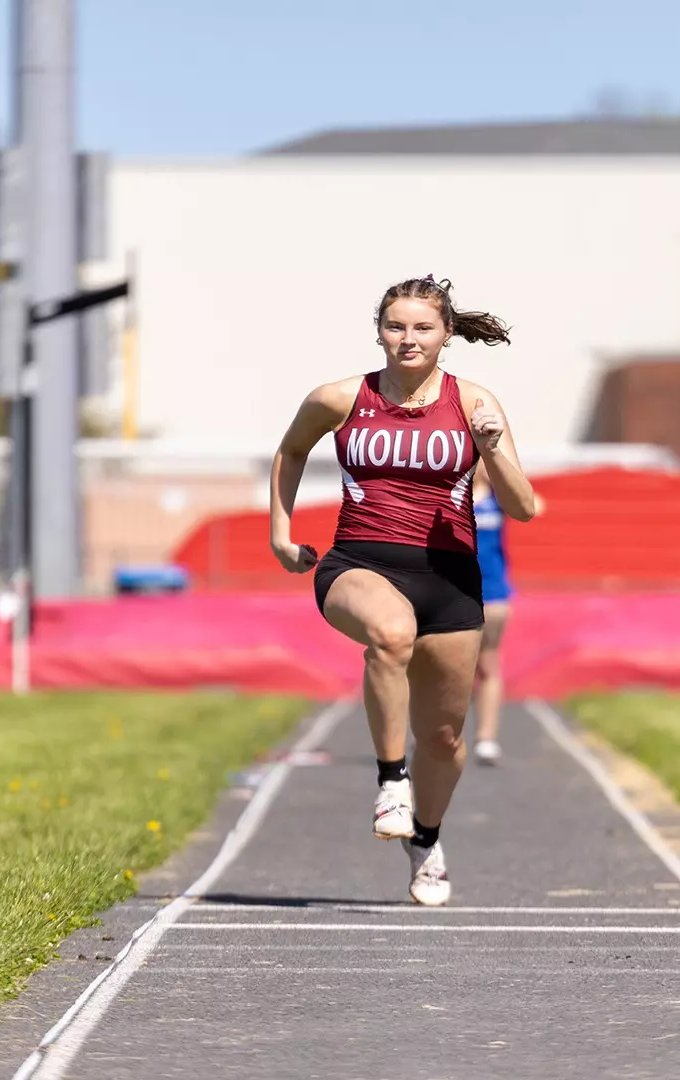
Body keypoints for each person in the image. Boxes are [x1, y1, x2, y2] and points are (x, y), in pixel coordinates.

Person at [268, 275, 539, 906]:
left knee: (444, 737)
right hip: (358, 564)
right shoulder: (341, 398)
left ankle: (428, 837)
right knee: (390, 634)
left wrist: (493, 450)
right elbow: (290, 450)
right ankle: (392, 779)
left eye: (422, 327)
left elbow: (523, 507)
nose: (408, 339)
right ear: (379, 332)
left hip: (448, 579)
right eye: (396, 326)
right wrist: (282, 536)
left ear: (447, 334)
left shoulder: (473, 403)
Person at [467, 468, 544, 766]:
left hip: (492, 590)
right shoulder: (447, 489)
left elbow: (533, 505)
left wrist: (496, 472)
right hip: (451, 588)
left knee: (487, 663)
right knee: (450, 668)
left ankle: (486, 738)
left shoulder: (497, 495)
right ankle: (440, 735)